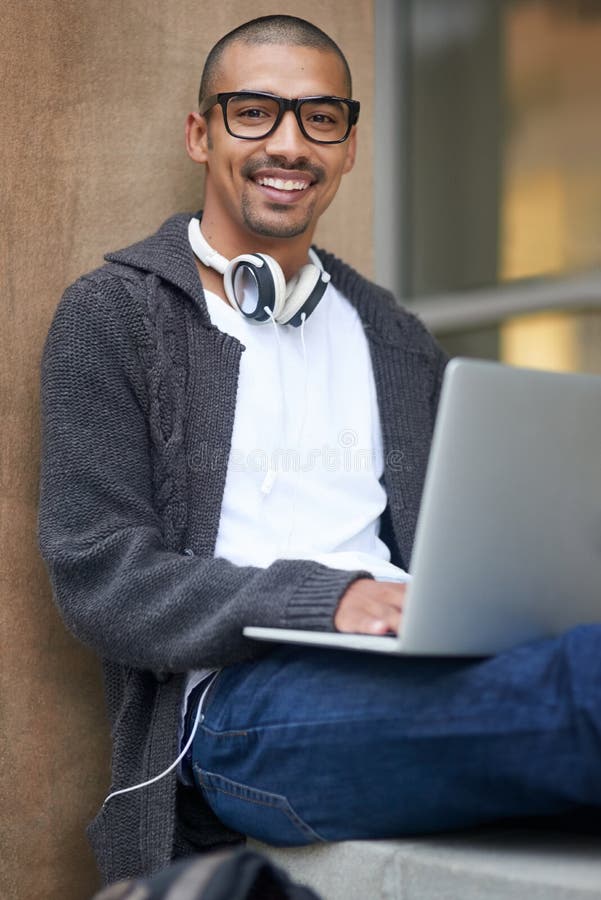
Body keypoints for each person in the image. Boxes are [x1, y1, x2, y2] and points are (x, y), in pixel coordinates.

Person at [39, 14, 601, 890]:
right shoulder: (114, 316)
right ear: (201, 133)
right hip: (238, 711)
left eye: (319, 119)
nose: (289, 144)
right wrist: (328, 598)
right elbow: (100, 577)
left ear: (346, 146)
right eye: (254, 112)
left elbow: (481, 532)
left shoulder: (394, 336)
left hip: (423, 666)